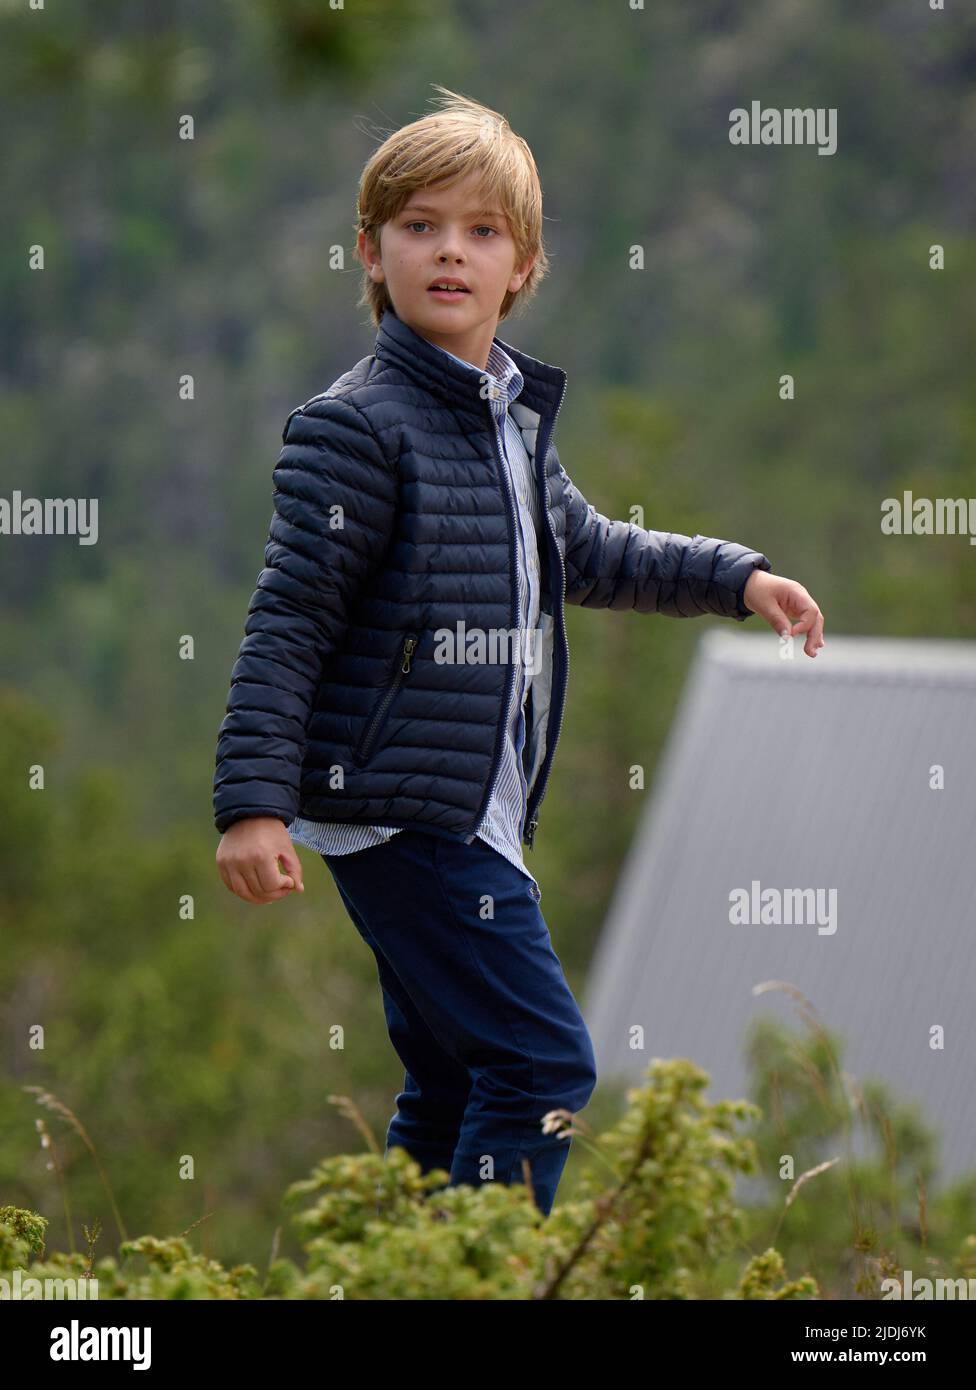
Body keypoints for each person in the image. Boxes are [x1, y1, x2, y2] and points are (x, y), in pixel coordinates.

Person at [213, 85, 825, 1217]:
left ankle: (397, 1268)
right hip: (409, 811)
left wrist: (736, 576)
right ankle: (484, 1275)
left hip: (464, 806)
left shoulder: (501, 417)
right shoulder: (356, 428)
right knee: (544, 1068)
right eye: (420, 227)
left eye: (481, 231)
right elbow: (288, 617)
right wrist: (250, 805)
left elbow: (585, 551)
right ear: (371, 251)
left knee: (455, 1077)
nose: (450, 252)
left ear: (522, 265)